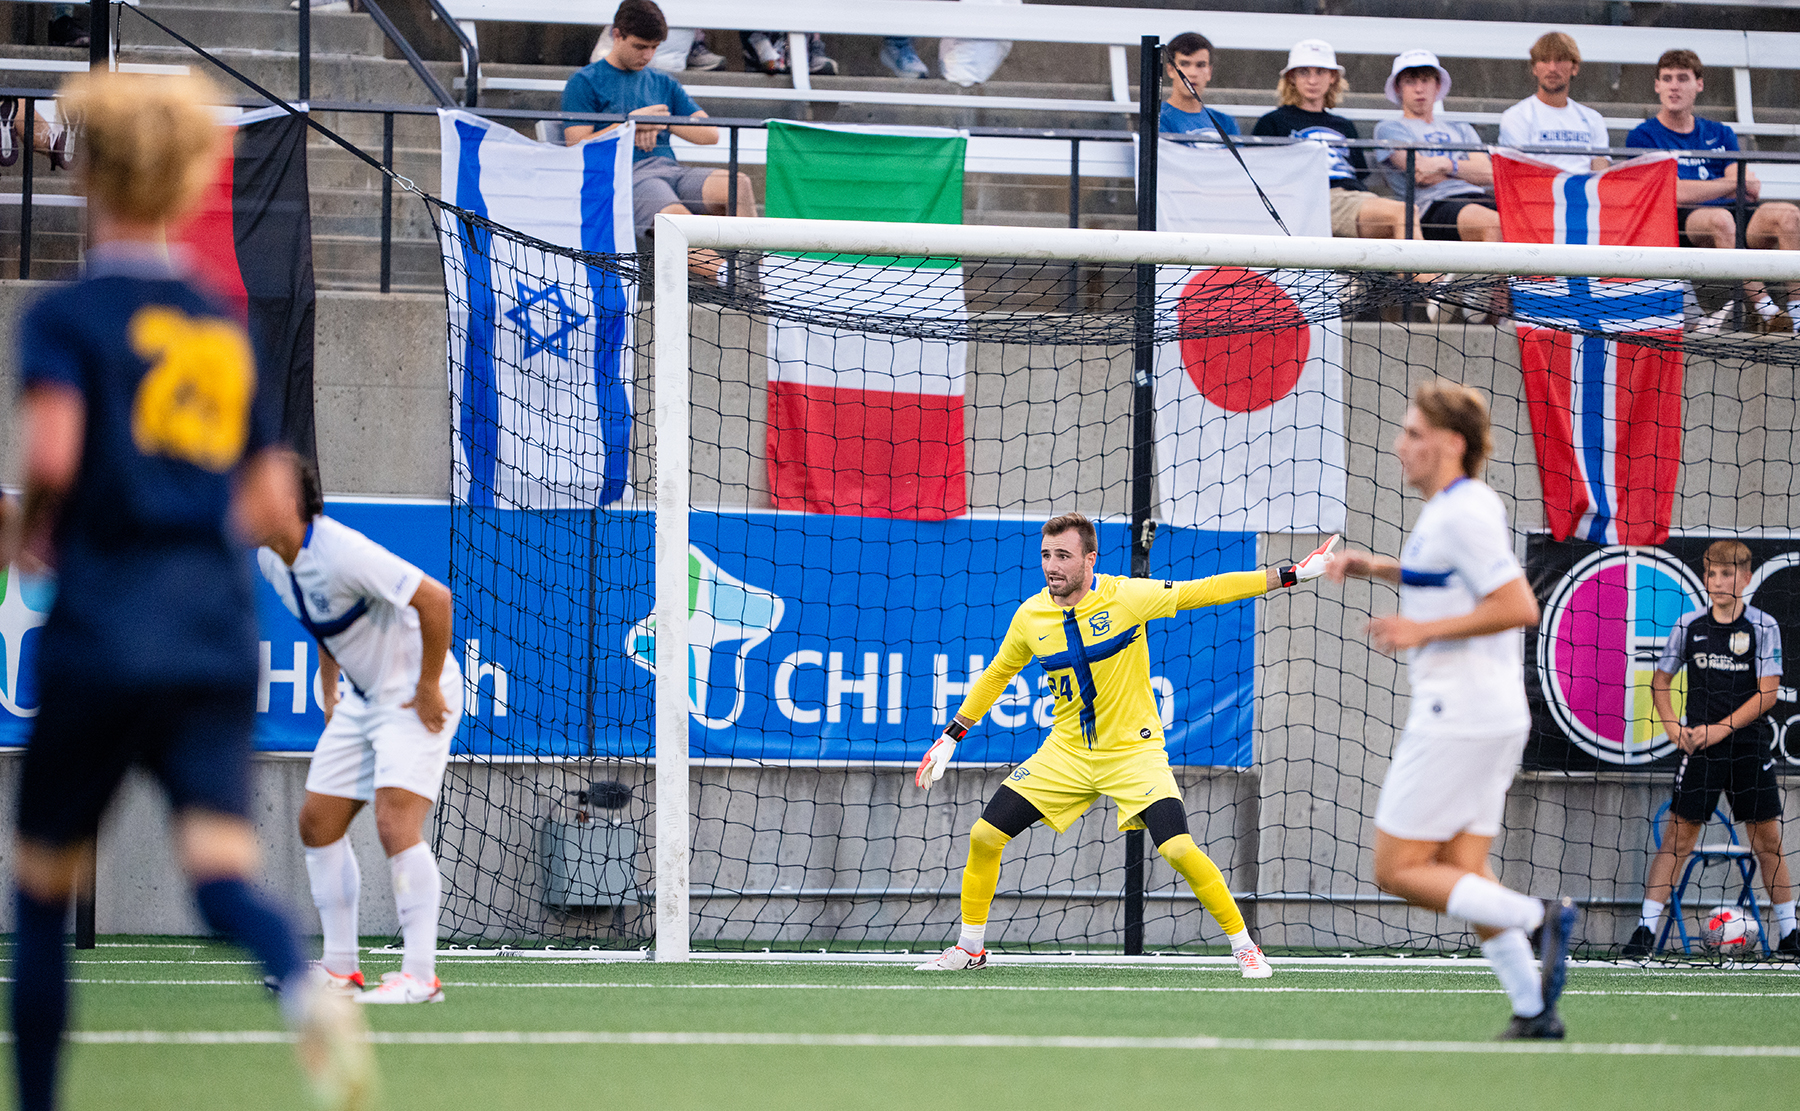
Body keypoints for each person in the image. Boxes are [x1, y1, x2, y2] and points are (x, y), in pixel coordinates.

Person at [4, 71, 369, 1110]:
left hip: (109, 618)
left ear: (90, 175)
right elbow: (264, 496)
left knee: (39, 897)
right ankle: (303, 984)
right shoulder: (218, 321)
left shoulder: (70, 316)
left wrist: (32, 534)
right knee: (218, 872)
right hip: (212, 626)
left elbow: (59, 457)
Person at [913, 513, 1339, 977]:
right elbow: (998, 673)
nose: (1052, 566)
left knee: (1177, 848)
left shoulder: (1127, 597)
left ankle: (1245, 947)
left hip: (1135, 755)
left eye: (1063, 556)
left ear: (1090, 559)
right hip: (1066, 754)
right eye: (1045, 556)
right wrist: (951, 736)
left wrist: (1292, 574)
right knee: (984, 836)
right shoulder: (1030, 616)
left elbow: (1206, 589)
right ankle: (970, 947)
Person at [1326, 381, 1578, 1040]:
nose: (1399, 444)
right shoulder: (1457, 508)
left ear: (1450, 444)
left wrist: (1421, 632)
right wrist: (1373, 566)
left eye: (1412, 433)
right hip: (1488, 714)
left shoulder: (1462, 511)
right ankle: (1533, 1009)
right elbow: (1443, 578)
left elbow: (1518, 605)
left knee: (1397, 867)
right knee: (1464, 871)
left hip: (1459, 713)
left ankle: (1539, 915)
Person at [256, 452, 466, 1002]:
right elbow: (324, 623)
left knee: (396, 823)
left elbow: (435, 599)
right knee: (316, 823)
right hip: (362, 696)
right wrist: (331, 689)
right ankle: (340, 968)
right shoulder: (271, 560)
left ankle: (421, 977)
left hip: (417, 688)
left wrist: (426, 687)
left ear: (293, 505)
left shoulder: (340, 550)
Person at [1624, 540, 1798, 958]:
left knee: (1767, 841)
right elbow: (1660, 681)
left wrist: (1719, 729)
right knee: (1677, 841)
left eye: (1728, 574)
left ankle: (1791, 934)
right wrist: (1671, 726)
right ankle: (1645, 932)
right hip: (1699, 752)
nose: (1718, 582)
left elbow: (1767, 694)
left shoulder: (1763, 626)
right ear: (1705, 577)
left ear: (1746, 578)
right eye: (1712, 573)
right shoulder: (1689, 626)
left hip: (1748, 748)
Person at [1626, 49, 1800, 333]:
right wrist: (1730, 185)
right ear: (1657, 85)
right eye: (1667, 78)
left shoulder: (1720, 133)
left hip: (1739, 217)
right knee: (1720, 218)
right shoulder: (1643, 136)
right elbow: (1670, 193)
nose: (1674, 85)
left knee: (1788, 214)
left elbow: (1751, 186)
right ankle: (1767, 312)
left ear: (1699, 84)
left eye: (1683, 78)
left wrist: (1717, 186)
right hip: (1686, 223)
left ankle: (1797, 312)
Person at [563, 0, 756, 242]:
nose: (648, 55)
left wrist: (659, 121)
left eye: (654, 47)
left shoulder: (663, 81)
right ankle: (728, 277)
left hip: (672, 171)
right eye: (640, 46)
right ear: (617, 35)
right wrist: (630, 125)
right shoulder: (584, 81)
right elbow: (576, 146)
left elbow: (710, 135)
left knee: (738, 185)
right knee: (676, 220)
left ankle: (751, 275)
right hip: (625, 177)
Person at [1253, 39, 1415, 240]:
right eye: (1304, 72)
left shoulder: (1344, 125)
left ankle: (1418, 273)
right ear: (1291, 78)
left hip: (1353, 198)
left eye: (1320, 72)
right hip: (1310, 200)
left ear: (1332, 78)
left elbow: (1356, 174)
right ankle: (1424, 273)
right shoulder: (1273, 122)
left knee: (1401, 224)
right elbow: (1261, 176)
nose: (1313, 80)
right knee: (1405, 213)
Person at [1373, 50, 1498, 243]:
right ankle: (1499, 276)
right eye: (1410, 81)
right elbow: (1421, 173)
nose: (1419, 89)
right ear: (1398, 88)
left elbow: (1487, 175)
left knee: (1531, 221)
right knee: (1493, 224)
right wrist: (1466, 170)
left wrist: (1446, 165)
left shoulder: (1461, 128)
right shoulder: (1389, 128)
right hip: (1431, 207)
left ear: (1437, 85)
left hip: (1478, 198)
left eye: (1425, 80)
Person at [1498, 32, 1610, 174]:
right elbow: (1522, 175)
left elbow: (1600, 177)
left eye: (1560, 60)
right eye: (1544, 60)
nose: (1552, 68)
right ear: (1534, 68)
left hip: (1582, 194)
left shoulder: (1593, 119)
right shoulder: (1516, 117)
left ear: (1574, 68)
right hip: (1537, 194)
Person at [1159, 31, 1240, 142]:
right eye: (1184, 64)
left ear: (1209, 72)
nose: (1193, 73)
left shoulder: (1226, 122)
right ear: (1171, 70)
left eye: (1200, 65)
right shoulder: (1158, 119)